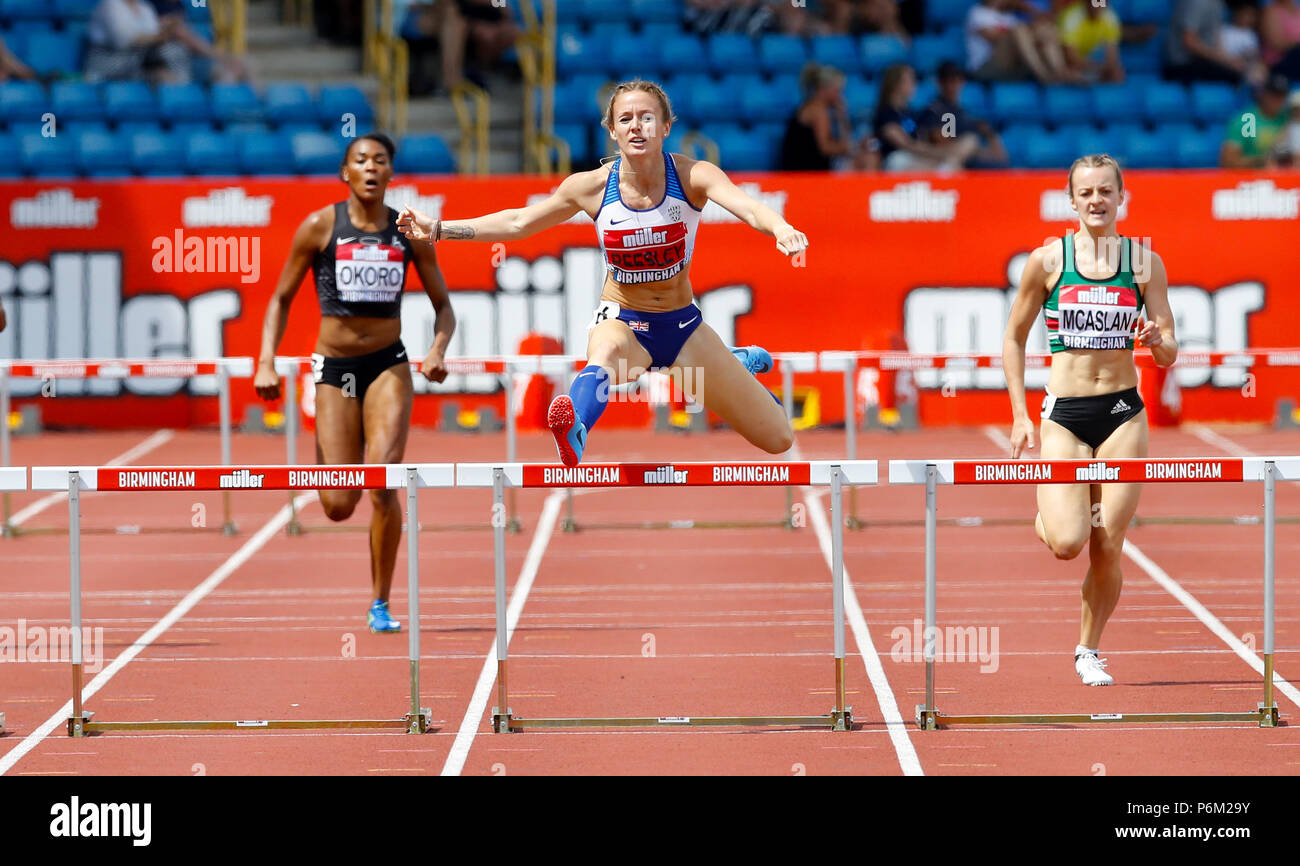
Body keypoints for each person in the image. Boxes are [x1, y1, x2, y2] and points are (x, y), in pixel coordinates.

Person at [397, 79, 801, 467]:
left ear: (665, 127)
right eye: (625, 119)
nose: (636, 126)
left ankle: (732, 362)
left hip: (683, 329)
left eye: (646, 117)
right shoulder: (590, 187)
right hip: (624, 321)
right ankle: (575, 427)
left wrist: (781, 228)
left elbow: (748, 207)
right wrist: (439, 229)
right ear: (611, 131)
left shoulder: (693, 176)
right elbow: (520, 222)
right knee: (605, 356)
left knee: (778, 438)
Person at [254, 133, 456, 633]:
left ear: (391, 174)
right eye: (360, 160)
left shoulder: (407, 232)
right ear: (345, 172)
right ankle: (330, 450)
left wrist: (436, 351)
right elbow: (279, 299)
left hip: (389, 364)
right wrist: (265, 361)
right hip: (337, 370)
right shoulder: (320, 226)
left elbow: (443, 307)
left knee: (383, 481)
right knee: (339, 504)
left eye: (380, 160)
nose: (370, 168)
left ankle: (380, 602)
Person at [1003, 154, 1177, 687]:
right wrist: (1018, 415)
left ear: (1121, 198)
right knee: (1067, 542)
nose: (1097, 200)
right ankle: (1051, 516)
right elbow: (1013, 337)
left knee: (1108, 542)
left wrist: (1158, 341)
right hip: (1066, 415)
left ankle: (1088, 649)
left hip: (1123, 412)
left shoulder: (1145, 263)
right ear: (1071, 200)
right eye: (1087, 193)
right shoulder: (1048, 261)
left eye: (1106, 191)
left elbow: (1169, 350)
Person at [874, 64, 979, 171]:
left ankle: (947, 166)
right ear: (896, 84)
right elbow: (906, 144)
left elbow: (922, 139)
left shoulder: (909, 112)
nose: (914, 84)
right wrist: (939, 153)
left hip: (917, 157)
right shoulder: (886, 113)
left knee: (969, 142)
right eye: (910, 80)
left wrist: (944, 151)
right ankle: (945, 168)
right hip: (898, 160)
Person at [917, 61, 1009, 169]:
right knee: (970, 142)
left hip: (966, 158)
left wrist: (989, 135)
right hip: (940, 159)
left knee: (996, 158)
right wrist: (969, 146)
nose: (952, 86)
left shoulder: (963, 112)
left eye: (956, 80)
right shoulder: (936, 109)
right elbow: (940, 141)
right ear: (940, 83)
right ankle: (946, 170)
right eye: (948, 81)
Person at [966, 0, 1074, 83]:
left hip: (1011, 66)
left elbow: (1026, 40)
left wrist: (1032, 16)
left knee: (1045, 29)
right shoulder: (978, 13)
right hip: (985, 67)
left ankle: (1060, 71)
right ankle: (1042, 75)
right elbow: (994, 38)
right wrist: (1023, 32)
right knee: (1020, 30)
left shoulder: (1009, 16)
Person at [85, 0, 191, 83]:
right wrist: (161, 35)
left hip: (137, 62)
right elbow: (124, 40)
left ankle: (181, 91)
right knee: (161, 64)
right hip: (110, 63)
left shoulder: (144, 7)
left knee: (174, 50)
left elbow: (154, 35)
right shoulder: (109, 5)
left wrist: (168, 29)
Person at [147, 0, 251, 82]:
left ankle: (260, 103)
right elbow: (174, 32)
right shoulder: (149, 6)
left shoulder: (178, 6)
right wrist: (219, 56)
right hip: (167, 59)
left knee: (240, 69)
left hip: (200, 55)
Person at [1165, 0, 1266, 84]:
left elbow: (1215, 40)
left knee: (1252, 70)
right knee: (1237, 75)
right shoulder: (1197, 2)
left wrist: (1231, 60)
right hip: (1181, 64)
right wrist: (1224, 60)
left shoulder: (1218, 4)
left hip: (1203, 61)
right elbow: (1188, 41)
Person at [779, 63, 854, 171]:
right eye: (837, 91)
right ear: (823, 89)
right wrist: (850, 148)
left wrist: (842, 117)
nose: (840, 96)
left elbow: (843, 141)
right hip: (804, 170)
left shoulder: (815, 106)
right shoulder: (817, 110)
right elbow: (825, 148)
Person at [1220, 72, 1292, 167]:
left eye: (1282, 96)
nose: (1277, 100)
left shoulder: (1289, 119)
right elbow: (1228, 162)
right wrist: (1262, 160)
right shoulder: (1246, 121)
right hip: (1252, 177)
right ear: (1263, 94)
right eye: (1273, 95)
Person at [1057, 0, 1125, 82]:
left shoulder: (1109, 17)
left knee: (1117, 75)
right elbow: (1071, 58)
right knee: (1072, 74)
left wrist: (1110, 68)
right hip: (1062, 59)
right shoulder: (1072, 17)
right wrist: (1099, 68)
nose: (1100, 6)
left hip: (1086, 61)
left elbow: (1112, 56)